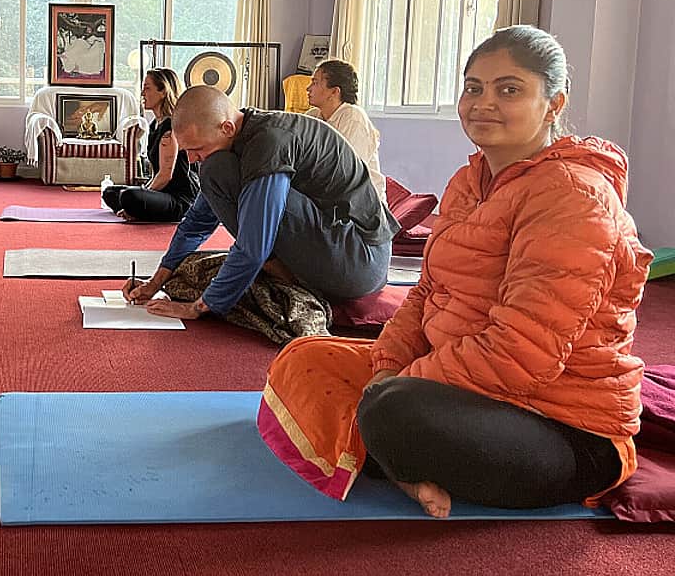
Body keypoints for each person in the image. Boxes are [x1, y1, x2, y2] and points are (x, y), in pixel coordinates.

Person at [261, 26, 652, 518]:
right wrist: (388, 367)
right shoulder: (470, 181)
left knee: (390, 411)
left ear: (553, 104)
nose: (484, 103)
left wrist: (395, 386)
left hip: (559, 424)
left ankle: (389, 448)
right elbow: (426, 293)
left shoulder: (574, 197)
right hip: (454, 378)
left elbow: (522, 352)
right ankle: (406, 468)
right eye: (474, 87)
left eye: (509, 89)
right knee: (304, 357)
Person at [123, 85, 398, 319]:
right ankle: (282, 271)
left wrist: (199, 307)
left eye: (197, 150)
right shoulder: (240, 141)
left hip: (359, 261)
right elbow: (196, 222)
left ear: (227, 127)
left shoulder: (270, 141)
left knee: (216, 169)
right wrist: (156, 281)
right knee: (216, 171)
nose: (192, 159)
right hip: (336, 251)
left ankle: (284, 275)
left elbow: (256, 243)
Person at [102, 68, 199, 223]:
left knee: (129, 196)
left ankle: (136, 209)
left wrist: (142, 193)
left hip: (179, 200)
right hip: (162, 195)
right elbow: (155, 174)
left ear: (163, 92)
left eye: (147, 88)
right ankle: (137, 209)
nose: (142, 94)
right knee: (110, 193)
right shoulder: (155, 124)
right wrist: (143, 192)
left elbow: (165, 176)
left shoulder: (170, 127)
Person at [305, 59, 387, 205]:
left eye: (315, 83)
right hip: (325, 196)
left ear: (334, 91)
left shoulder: (354, 118)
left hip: (360, 206)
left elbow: (346, 173)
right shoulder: (313, 116)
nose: (308, 88)